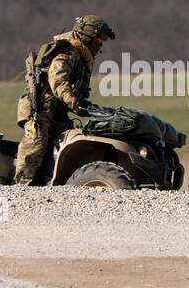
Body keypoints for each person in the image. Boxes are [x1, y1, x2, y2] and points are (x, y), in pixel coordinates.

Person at [13, 15, 116, 184]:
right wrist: (70, 99)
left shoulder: (80, 56)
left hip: (56, 110)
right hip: (39, 107)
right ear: (88, 37)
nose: (100, 46)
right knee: (36, 144)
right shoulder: (67, 53)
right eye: (99, 41)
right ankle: (21, 187)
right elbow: (58, 80)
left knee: (68, 142)